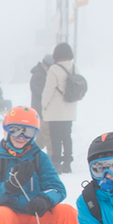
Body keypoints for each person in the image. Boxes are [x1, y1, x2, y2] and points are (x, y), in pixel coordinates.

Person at [41, 42, 77, 173]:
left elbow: (48, 89)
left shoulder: (54, 69)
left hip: (55, 110)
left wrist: (44, 105)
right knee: (67, 136)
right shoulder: (73, 67)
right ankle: (67, 163)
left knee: (55, 137)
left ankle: (56, 163)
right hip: (69, 107)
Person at [29, 54, 53, 155]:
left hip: (42, 109)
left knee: (41, 137)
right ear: (45, 66)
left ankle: (29, 154)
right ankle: (51, 158)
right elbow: (40, 93)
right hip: (41, 110)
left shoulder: (41, 74)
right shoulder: (38, 75)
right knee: (46, 135)